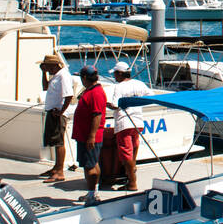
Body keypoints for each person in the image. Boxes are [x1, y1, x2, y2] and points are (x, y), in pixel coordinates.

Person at [105, 61, 149, 191]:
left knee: (126, 154)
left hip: (124, 123)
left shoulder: (119, 87)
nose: (114, 76)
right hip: (138, 122)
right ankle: (130, 177)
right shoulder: (140, 84)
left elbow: (116, 104)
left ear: (120, 73)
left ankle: (132, 183)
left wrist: (108, 105)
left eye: (115, 74)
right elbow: (149, 97)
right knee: (133, 151)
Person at [71, 66, 107, 205]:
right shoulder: (92, 91)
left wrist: (91, 136)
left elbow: (97, 115)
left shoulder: (95, 93)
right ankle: (93, 192)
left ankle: (92, 195)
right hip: (85, 135)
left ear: (84, 78)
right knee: (92, 163)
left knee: (89, 166)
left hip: (89, 136)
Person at [39, 54, 74, 182]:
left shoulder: (63, 76)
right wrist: (43, 73)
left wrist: (61, 111)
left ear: (53, 65)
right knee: (54, 141)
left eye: (47, 66)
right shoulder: (56, 76)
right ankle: (56, 167)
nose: (46, 68)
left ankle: (59, 171)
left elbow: (69, 95)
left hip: (57, 114)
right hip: (52, 111)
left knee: (59, 142)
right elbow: (45, 87)